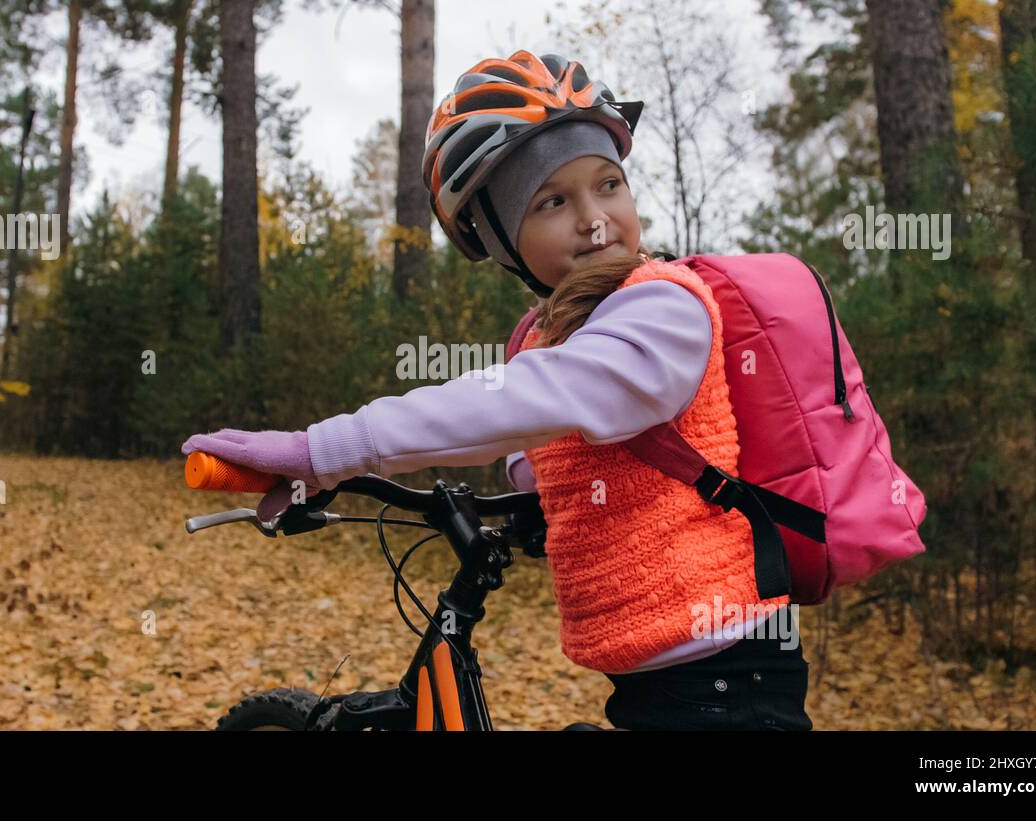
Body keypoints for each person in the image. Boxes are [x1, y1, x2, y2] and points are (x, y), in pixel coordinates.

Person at [182, 50, 811, 731]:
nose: (595, 218)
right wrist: (528, 505)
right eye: (553, 201)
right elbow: (548, 446)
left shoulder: (663, 308)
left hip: (730, 685)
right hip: (662, 687)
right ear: (498, 237)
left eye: (608, 184)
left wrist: (330, 448)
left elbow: (532, 399)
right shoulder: (554, 336)